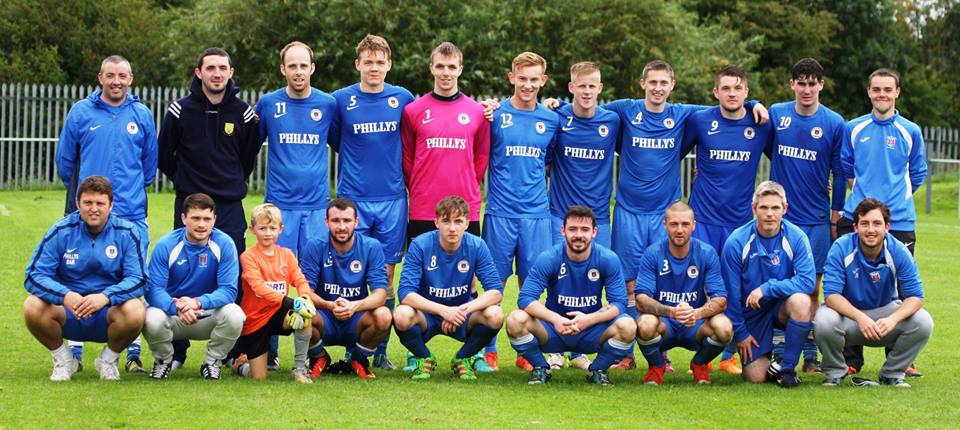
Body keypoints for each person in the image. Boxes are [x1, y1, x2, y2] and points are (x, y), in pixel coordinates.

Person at [602, 60, 767, 372]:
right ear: (642, 84)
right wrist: (556, 105)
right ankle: (628, 351)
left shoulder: (686, 114)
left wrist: (755, 103)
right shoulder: (625, 109)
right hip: (628, 211)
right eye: (652, 82)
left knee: (670, 280)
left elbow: (727, 103)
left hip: (665, 212)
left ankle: (688, 353)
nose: (658, 88)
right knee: (629, 285)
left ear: (672, 85)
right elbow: (588, 106)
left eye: (664, 82)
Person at [158, 47, 262, 369]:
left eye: (223, 68)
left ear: (231, 72)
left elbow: (247, 159)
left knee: (234, 274)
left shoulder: (243, 113)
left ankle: (231, 352)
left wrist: (227, 184)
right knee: (182, 274)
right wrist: (189, 185)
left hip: (229, 206)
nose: (217, 73)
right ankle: (177, 352)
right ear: (199, 72)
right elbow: (165, 157)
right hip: (189, 202)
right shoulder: (179, 110)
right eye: (211, 68)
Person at [55, 55, 155, 373]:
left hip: (131, 214)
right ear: (100, 77)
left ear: (131, 78)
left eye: (122, 76)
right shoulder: (81, 112)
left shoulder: (141, 114)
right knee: (80, 274)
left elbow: (149, 167)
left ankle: (132, 353)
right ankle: (76, 349)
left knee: (132, 282)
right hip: (89, 215)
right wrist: (84, 201)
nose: (116, 81)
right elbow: (65, 162)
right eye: (110, 75)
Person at [330, 34, 416, 370]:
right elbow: (336, 139)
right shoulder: (340, 100)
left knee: (385, 276)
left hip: (392, 200)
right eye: (368, 62)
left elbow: (411, 138)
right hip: (353, 201)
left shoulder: (403, 98)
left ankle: (376, 351)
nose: (374, 67)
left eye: (380, 62)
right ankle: (353, 341)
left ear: (389, 64)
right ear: (358, 65)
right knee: (350, 274)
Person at [682, 64, 774, 374]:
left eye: (738, 89)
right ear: (715, 92)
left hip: (740, 223)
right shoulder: (700, 120)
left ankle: (728, 356)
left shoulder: (761, 123)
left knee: (738, 288)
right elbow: (673, 155)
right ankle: (700, 353)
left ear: (746, 92)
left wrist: (754, 105)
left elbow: (784, 158)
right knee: (699, 286)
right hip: (704, 219)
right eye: (726, 88)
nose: (732, 93)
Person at [837, 68, 927, 377]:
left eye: (888, 90)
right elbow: (847, 168)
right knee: (851, 286)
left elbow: (917, 174)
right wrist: (866, 207)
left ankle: (902, 356)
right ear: (869, 92)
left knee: (901, 288)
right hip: (856, 219)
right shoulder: (854, 127)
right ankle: (851, 359)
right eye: (876, 89)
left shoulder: (910, 131)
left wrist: (893, 202)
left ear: (897, 92)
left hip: (899, 221)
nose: (882, 95)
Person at [23, 176, 146, 381]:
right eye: (88, 203)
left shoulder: (127, 232)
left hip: (108, 314)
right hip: (70, 313)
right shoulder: (61, 231)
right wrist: (65, 295)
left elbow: (139, 279)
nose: (93, 209)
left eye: (100, 203)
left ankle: (107, 361)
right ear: (78, 203)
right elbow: (33, 275)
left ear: (111, 205)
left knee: (136, 310)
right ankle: (64, 360)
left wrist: (106, 296)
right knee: (32, 306)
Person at [767, 58, 847, 373]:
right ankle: (777, 350)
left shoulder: (834, 122)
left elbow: (839, 172)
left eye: (812, 83)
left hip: (816, 219)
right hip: (781, 221)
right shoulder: (777, 114)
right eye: (801, 82)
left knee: (812, 288)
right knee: (777, 283)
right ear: (792, 85)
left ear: (821, 86)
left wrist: (835, 214)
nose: (807, 89)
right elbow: (763, 144)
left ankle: (811, 354)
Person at [482, 51, 560, 372]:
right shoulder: (494, 114)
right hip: (500, 213)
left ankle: (525, 350)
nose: (528, 85)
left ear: (543, 81)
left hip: (536, 215)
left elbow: (552, 159)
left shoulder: (552, 119)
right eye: (522, 79)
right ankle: (488, 351)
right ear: (511, 77)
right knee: (493, 286)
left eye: (534, 80)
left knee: (531, 287)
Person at [506, 205, 635, 386]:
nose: (579, 235)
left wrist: (588, 320)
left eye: (585, 229)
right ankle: (540, 368)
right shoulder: (549, 257)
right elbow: (526, 298)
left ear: (594, 232)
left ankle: (598, 370)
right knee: (515, 319)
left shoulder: (608, 258)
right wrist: (556, 319)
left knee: (628, 325)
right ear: (563, 231)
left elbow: (619, 303)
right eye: (572, 229)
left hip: (590, 331)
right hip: (552, 331)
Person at [815, 198, 933, 387]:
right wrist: (860, 317)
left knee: (923, 321)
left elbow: (915, 297)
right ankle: (835, 373)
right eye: (865, 224)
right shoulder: (841, 247)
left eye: (877, 223)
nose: (871, 230)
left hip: (884, 314)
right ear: (855, 227)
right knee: (823, 321)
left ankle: (892, 373)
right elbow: (831, 296)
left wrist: (892, 320)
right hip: (848, 317)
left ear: (887, 227)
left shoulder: (898, 250)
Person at [393, 196, 504, 381]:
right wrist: (444, 311)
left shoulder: (477, 245)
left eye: (458, 221)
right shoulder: (420, 245)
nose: (452, 228)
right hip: (427, 315)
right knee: (401, 314)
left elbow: (495, 291)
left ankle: (463, 358)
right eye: (446, 221)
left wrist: (460, 311)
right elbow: (405, 293)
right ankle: (423, 357)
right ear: (436, 222)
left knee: (495, 315)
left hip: (461, 315)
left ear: (467, 223)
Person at [720, 181, 816, 387]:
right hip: (751, 313)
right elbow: (731, 293)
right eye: (763, 207)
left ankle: (787, 369)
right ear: (754, 209)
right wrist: (741, 333)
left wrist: (767, 288)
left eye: (775, 207)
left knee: (801, 301)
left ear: (785, 209)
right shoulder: (736, 242)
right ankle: (773, 359)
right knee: (756, 377)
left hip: (781, 306)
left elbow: (807, 282)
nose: (769, 214)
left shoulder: (797, 237)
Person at [142, 193, 245, 380]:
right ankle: (163, 361)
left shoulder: (225, 244)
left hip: (206, 313)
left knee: (235, 314)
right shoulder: (166, 244)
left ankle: (212, 362)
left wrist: (197, 302)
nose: (201, 224)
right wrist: (177, 307)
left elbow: (229, 290)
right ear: (184, 219)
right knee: (150, 317)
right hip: (174, 314)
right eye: (195, 218)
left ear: (214, 219)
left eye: (207, 219)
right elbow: (153, 289)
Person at [634, 201, 731, 385]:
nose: (679, 230)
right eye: (674, 224)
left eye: (685, 224)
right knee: (645, 323)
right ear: (665, 225)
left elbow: (720, 298)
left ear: (693, 225)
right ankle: (657, 366)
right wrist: (671, 312)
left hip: (694, 323)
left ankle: (700, 364)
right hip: (665, 324)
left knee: (724, 327)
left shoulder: (706, 253)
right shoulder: (653, 253)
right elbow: (641, 299)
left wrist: (697, 313)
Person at [401, 42, 489, 241]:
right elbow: (407, 158)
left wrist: (464, 184)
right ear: (431, 68)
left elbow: (481, 158)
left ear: (460, 69)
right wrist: (419, 186)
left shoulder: (477, 112)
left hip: (464, 208)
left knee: (465, 270)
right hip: (424, 207)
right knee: (421, 270)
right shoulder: (413, 110)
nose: (445, 72)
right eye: (440, 66)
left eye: (451, 67)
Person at [255, 41, 336, 257]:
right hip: (279, 204)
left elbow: (342, 145)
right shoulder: (268, 104)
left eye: (303, 66)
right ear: (283, 69)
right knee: (276, 271)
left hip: (317, 205)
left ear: (312, 68)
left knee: (314, 272)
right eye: (292, 66)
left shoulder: (328, 104)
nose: (298, 72)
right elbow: (249, 146)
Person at [299, 198, 393, 379]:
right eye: (335, 221)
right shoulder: (314, 246)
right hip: (325, 317)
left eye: (347, 220)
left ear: (356, 222)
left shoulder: (371, 247)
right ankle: (318, 357)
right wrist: (328, 305)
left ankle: (358, 359)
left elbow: (381, 294)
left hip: (356, 320)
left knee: (384, 315)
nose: (341, 227)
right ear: (327, 222)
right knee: (300, 314)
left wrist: (354, 306)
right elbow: (305, 291)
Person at [231, 204, 320, 383]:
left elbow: (300, 280)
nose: (268, 233)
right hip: (255, 319)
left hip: (278, 313)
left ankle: (300, 369)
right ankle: (240, 365)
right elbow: (258, 288)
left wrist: (304, 298)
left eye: (272, 228)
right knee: (258, 377)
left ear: (281, 229)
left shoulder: (286, 255)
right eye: (262, 228)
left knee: (304, 316)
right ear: (252, 229)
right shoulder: (248, 256)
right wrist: (291, 303)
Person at [547, 62, 620, 248]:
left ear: (600, 88)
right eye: (582, 86)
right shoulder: (557, 117)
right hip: (561, 214)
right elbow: (544, 161)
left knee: (598, 274)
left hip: (599, 216)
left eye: (592, 86)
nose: (587, 91)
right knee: (558, 273)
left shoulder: (612, 121)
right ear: (572, 87)